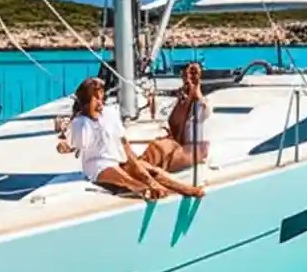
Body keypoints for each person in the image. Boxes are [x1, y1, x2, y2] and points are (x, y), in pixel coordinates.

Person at [60, 78, 203, 200]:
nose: (99, 102)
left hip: (118, 159)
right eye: (95, 98)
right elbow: (75, 144)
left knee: (150, 172)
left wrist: (136, 163)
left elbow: (123, 142)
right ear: (86, 102)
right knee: (122, 176)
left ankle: (183, 189)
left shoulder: (110, 114)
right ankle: (143, 188)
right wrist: (64, 146)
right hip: (97, 166)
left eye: (100, 96)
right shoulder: (80, 123)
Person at [140, 62, 213, 172]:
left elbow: (205, 109)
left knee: (163, 154)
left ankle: (148, 171)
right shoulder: (184, 102)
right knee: (157, 147)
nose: (188, 79)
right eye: (186, 75)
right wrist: (184, 101)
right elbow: (174, 124)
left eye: (193, 74)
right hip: (181, 146)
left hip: (197, 149)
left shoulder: (203, 104)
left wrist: (196, 91)